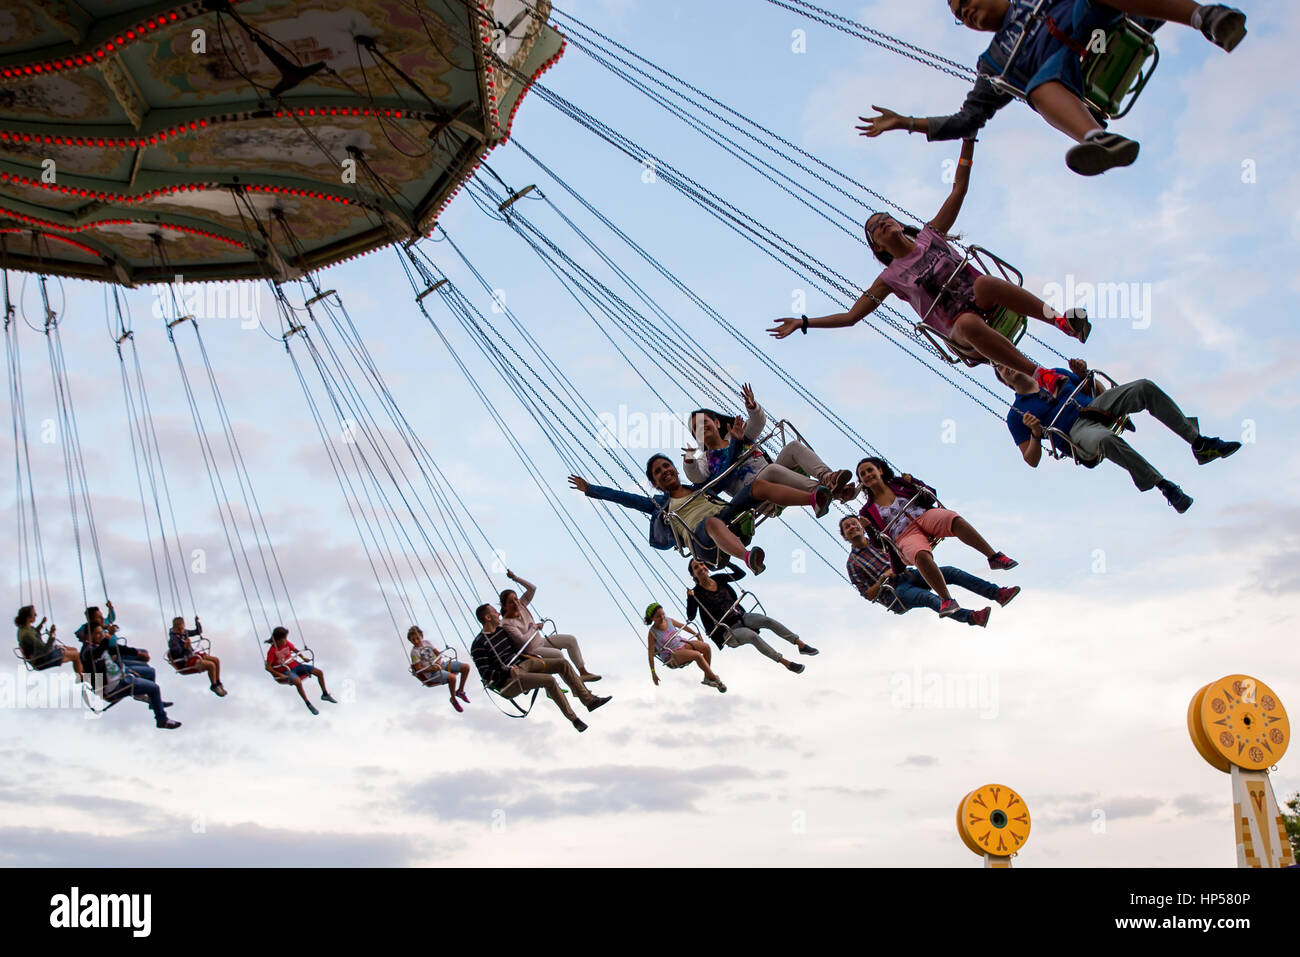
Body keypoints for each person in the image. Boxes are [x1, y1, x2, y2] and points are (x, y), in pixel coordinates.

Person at [768, 138, 1086, 395]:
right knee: (969, 324)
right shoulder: (889, 278)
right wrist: (804, 322)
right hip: (959, 329)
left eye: (884, 218)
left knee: (986, 284)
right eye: (875, 228)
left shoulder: (930, 236)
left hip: (984, 303)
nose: (882, 223)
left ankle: (1060, 321)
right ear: (877, 246)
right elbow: (852, 316)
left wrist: (968, 140)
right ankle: (1039, 374)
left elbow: (958, 189)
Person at [858, 1, 1247, 175]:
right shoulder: (994, 63)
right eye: (961, 17)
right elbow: (967, 120)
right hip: (1066, 71)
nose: (967, 14)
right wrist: (906, 122)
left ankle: (1205, 17)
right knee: (1036, 89)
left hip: (1093, 27)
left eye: (967, 2)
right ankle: (1096, 139)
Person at [997, 358, 1240, 513]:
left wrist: (1083, 376)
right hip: (1076, 431)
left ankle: (1199, 443)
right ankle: (1164, 486)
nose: (1005, 365)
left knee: (1143, 387)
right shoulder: (1017, 414)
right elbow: (1031, 460)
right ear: (1006, 382)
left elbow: (1097, 391)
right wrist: (1036, 434)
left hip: (1095, 406)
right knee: (1105, 440)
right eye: (999, 367)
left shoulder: (1054, 373)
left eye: (1004, 359)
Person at [856, 457, 1017, 618]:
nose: (868, 475)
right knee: (920, 554)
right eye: (863, 474)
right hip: (904, 535)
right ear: (862, 481)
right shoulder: (867, 511)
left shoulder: (899, 483)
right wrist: (868, 528)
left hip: (923, 516)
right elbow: (879, 543)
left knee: (953, 519)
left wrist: (914, 481)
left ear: (880, 470)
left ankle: (994, 557)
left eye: (870, 470)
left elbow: (929, 494)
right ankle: (948, 600)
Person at [570, 454, 767, 574]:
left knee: (756, 487)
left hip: (726, 519)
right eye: (657, 471)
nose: (664, 470)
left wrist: (737, 440)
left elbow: (725, 469)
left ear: (675, 469)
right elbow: (625, 498)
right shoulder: (659, 505)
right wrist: (590, 489)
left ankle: (794, 490)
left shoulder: (700, 489)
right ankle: (747, 557)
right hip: (703, 542)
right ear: (655, 483)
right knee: (711, 523)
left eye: (666, 466)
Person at [684, 383, 855, 518]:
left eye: (704, 421)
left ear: (717, 423)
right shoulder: (705, 460)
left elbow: (757, 424)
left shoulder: (734, 436)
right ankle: (819, 492)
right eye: (696, 428)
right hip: (756, 495)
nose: (702, 426)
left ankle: (827, 478)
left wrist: (753, 408)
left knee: (792, 447)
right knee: (771, 469)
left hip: (776, 476)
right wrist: (690, 463)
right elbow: (697, 476)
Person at [841, 516, 1021, 626]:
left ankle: (998, 593)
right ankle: (972, 617)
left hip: (909, 575)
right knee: (928, 598)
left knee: (950, 572)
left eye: (854, 523)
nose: (852, 527)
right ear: (845, 536)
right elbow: (868, 595)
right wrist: (882, 579)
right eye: (847, 527)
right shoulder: (853, 563)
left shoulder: (879, 543)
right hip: (896, 593)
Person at [470, 604, 610, 732]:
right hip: (509, 679)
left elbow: (520, 643)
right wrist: (507, 672)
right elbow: (485, 673)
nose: (498, 614)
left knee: (563, 664)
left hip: (523, 664)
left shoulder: (502, 631)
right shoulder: (479, 644)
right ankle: (574, 719)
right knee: (548, 680)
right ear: (487, 617)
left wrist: (533, 629)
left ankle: (589, 701)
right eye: (495, 612)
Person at [685, 559, 817, 673]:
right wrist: (690, 598)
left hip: (741, 616)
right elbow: (691, 616)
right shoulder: (696, 594)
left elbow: (740, 574)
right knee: (751, 636)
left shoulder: (718, 578)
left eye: (702, 564)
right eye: (696, 567)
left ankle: (800, 644)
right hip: (728, 631)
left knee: (766, 620)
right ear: (693, 575)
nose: (701, 568)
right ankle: (784, 662)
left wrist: (725, 562)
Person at [499, 569, 600, 682]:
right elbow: (522, 641)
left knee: (571, 640)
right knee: (558, 655)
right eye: (511, 602)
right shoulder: (506, 623)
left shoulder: (522, 605)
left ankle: (583, 672)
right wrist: (535, 627)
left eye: (516, 599)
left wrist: (515, 578)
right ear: (504, 606)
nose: (516, 603)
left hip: (541, 641)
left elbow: (532, 588)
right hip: (532, 650)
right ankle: (576, 684)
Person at [79, 623, 180, 729]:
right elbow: (96, 654)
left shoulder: (98, 645)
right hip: (116, 685)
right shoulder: (87, 652)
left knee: (150, 672)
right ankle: (162, 720)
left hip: (122, 674)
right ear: (88, 636)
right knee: (154, 688)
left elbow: (117, 649)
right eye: (97, 634)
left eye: (101, 633)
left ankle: (152, 702)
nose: (101, 636)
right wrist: (108, 636)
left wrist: (137, 653)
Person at [644, 602, 726, 692]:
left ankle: (707, 677)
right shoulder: (652, 633)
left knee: (706, 647)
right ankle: (716, 681)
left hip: (682, 644)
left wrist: (695, 634)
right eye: (658, 616)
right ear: (652, 618)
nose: (662, 617)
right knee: (697, 655)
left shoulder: (668, 620)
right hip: (672, 655)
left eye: (663, 614)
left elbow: (683, 627)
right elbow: (650, 654)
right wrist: (653, 673)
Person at [265, 626, 337, 715]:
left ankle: (325, 694)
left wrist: (303, 657)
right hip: (285, 671)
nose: (286, 640)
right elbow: (268, 667)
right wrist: (279, 675)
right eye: (284, 638)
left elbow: (295, 650)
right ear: (278, 639)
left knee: (319, 672)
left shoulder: (286, 643)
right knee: (298, 682)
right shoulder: (272, 651)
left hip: (296, 666)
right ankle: (308, 703)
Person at [408, 626, 472, 712]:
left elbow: (438, 654)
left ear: (421, 636)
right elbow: (419, 669)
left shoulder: (427, 643)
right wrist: (433, 668)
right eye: (413, 640)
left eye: (417, 638)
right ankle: (453, 699)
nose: (416, 641)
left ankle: (460, 691)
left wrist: (438, 662)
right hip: (432, 674)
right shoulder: (414, 652)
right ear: (410, 641)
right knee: (452, 678)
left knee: (466, 667)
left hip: (441, 665)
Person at [14, 605, 83, 676]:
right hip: (42, 659)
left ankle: (82, 672)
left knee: (74, 649)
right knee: (76, 655)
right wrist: (51, 634)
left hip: (39, 655)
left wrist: (41, 624)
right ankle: (81, 677)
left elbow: (34, 632)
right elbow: (45, 649)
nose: (36, 615)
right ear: (28, 618)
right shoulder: (27, 634)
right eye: (34, 614)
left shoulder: (23, 628)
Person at [166, 616, 226, 697]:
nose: (181, 631)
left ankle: (218, 682)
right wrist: (185, 647)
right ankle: (214, 686)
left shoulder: (184, 633)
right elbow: (178, 654)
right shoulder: (173, 640)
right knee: (211, 665)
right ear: (174, 628)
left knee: (216, 660)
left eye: (182, 629)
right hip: (185, 661)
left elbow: (198, 631)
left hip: (191, 655)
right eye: (179, 629)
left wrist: (197, 623)